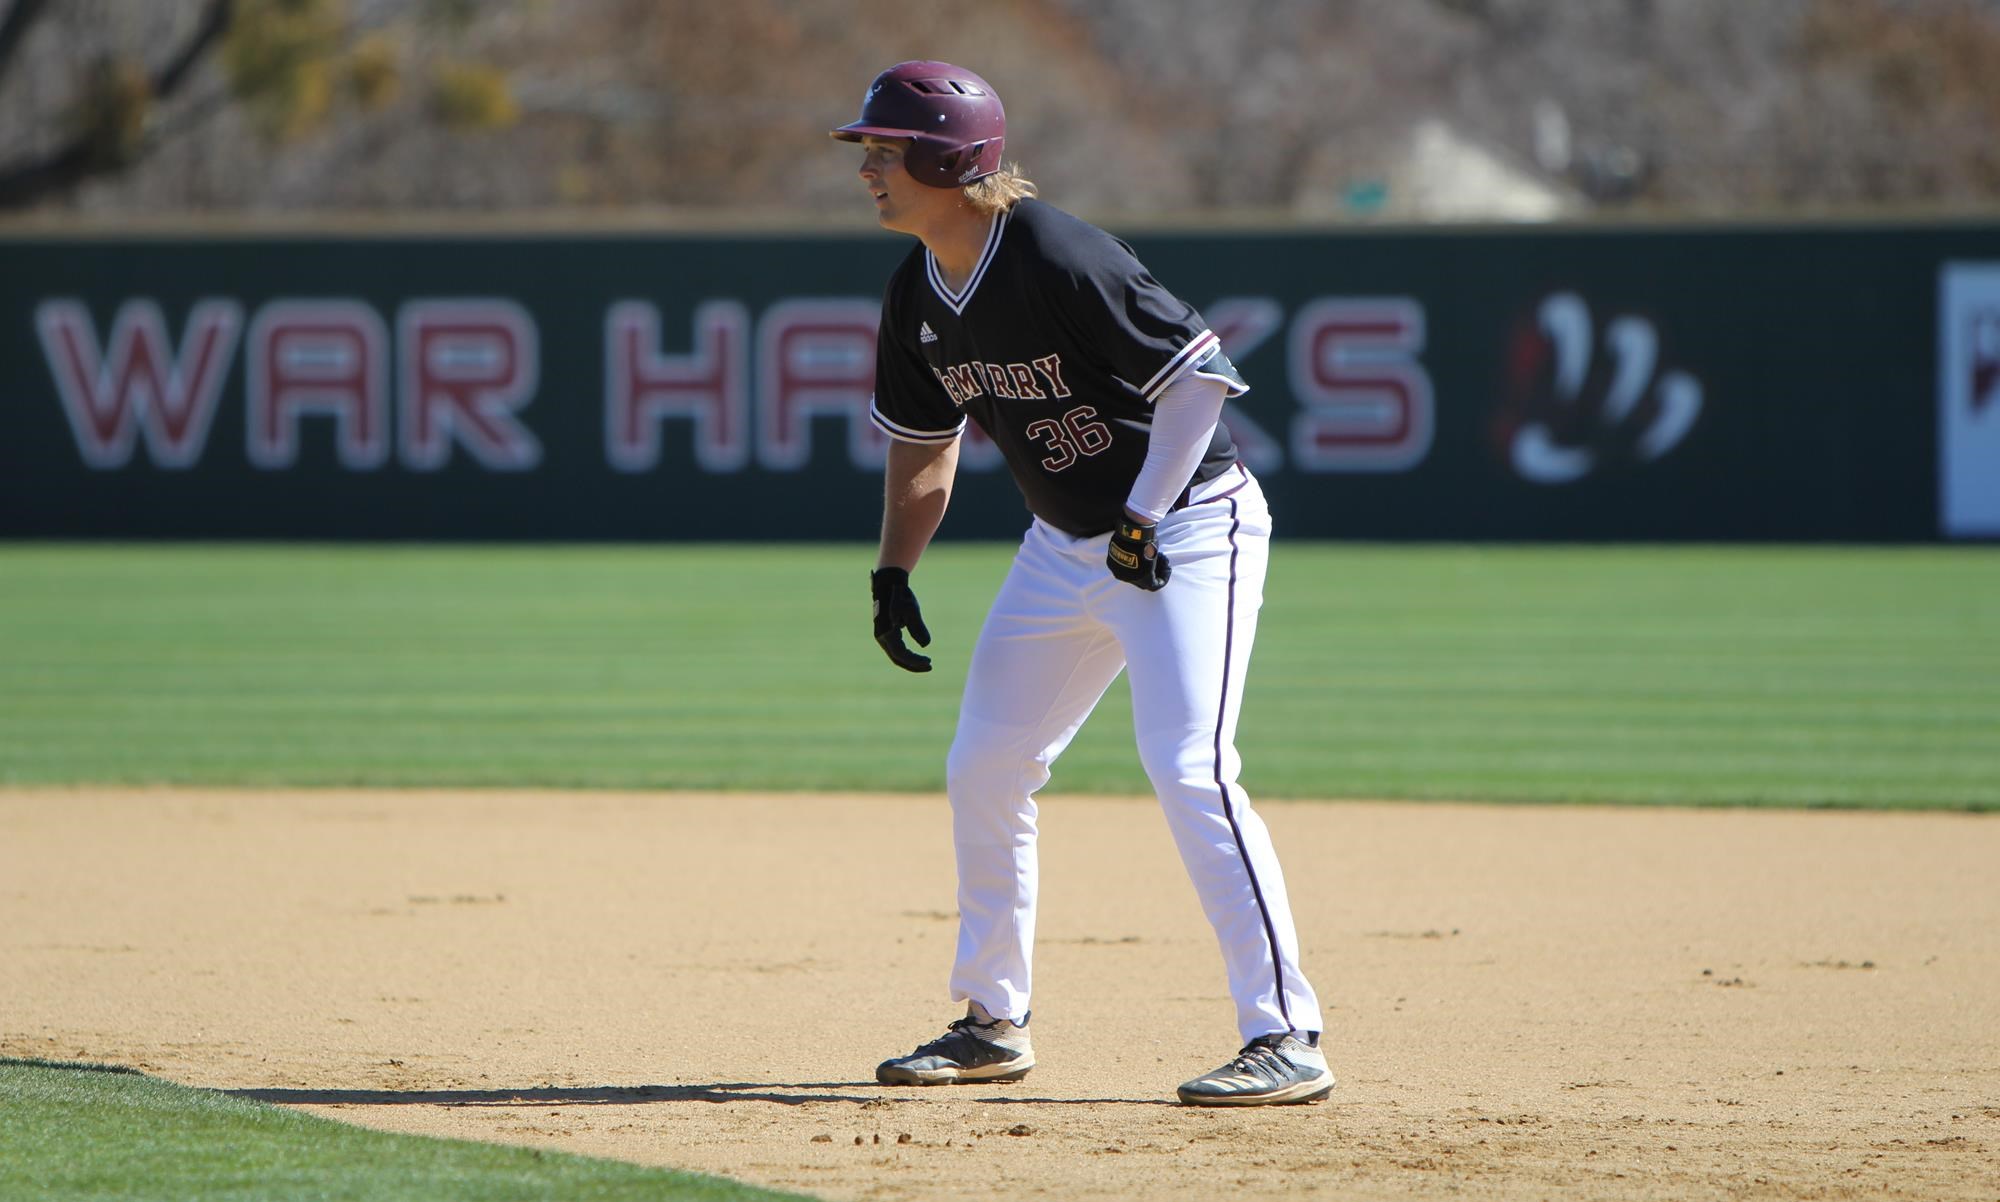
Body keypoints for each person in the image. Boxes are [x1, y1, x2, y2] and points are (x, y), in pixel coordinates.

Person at [833, 60, 1332, 1107]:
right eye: (869, 151)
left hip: (1188, 526)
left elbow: (1199, 379)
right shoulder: (916, 291)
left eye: (884, 150)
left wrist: (1144, 517)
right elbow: (922, 449)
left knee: (1189, 764)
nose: (868, 168)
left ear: (944, 157)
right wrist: (892, 570)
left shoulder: (1054, 251)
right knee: (986, 762)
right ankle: (989, 1018)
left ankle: (1285, 1031)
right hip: (1062, 547)